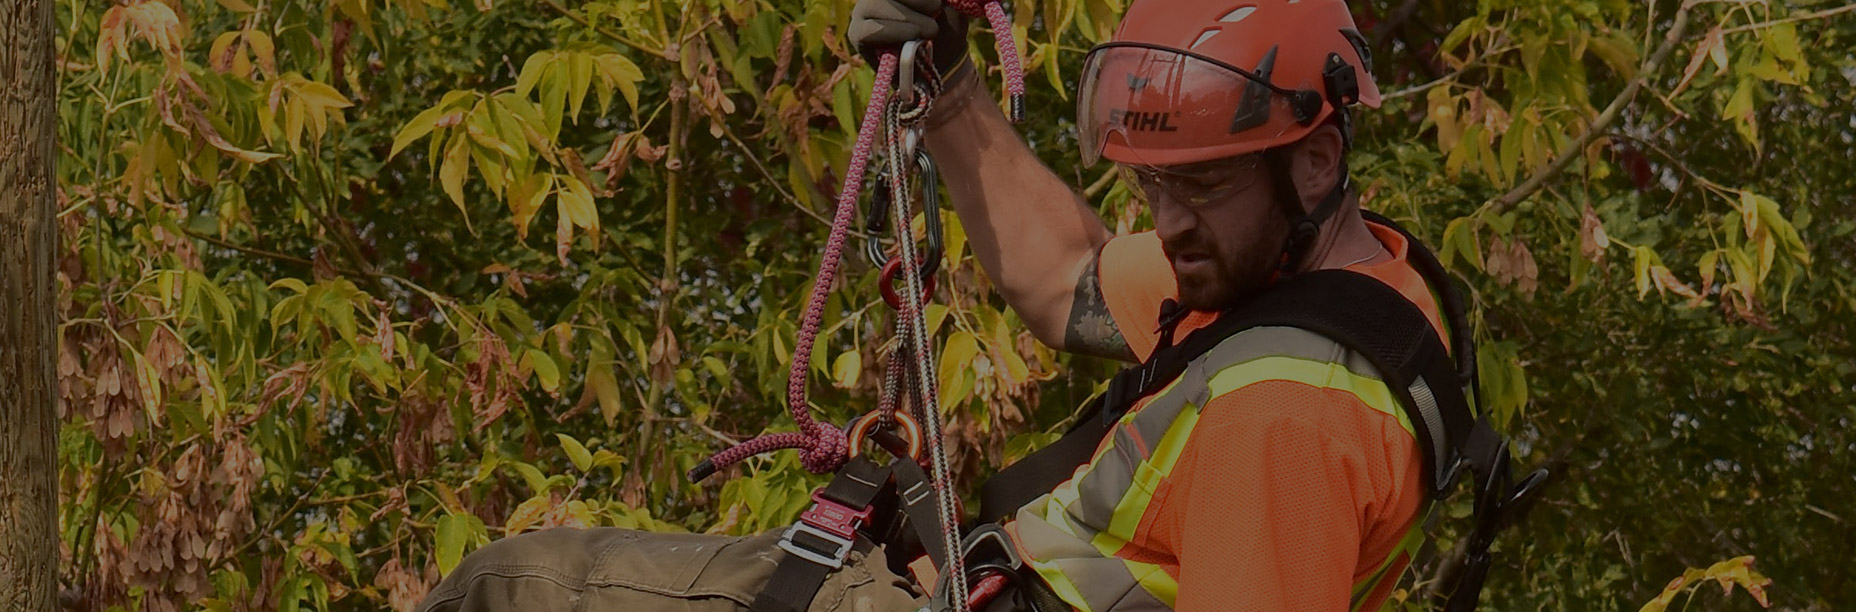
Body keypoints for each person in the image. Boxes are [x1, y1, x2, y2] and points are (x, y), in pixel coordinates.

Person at [416, 1, 1448, 610]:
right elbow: (1072, 284)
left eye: (1203, 187)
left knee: (512, 590)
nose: (1169, 226)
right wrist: (946, 83)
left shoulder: (1289, 416)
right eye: (1151, 188)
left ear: (1315, 161)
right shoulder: (1342, 284)